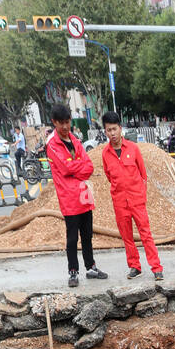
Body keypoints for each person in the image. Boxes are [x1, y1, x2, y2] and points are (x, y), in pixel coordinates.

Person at [45, 102, 108, 288]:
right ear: (54, 122)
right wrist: (78, 166)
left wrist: (76, 168)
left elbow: (88, 166)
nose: (65, 126)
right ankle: (73, 271)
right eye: (61, 123)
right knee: (72, 238)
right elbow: (65, 167)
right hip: (69, 198)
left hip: (84, 194)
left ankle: (91, 267)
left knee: (87, 235)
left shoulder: (74, 139)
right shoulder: (52, 144)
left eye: (67, 122)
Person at [101, 110, 163, 281]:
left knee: (146, 234)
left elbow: (143, 174)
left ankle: (156, 267)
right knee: (127, 236)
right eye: (108, 130)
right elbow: (109, 176)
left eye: (114, 129)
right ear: (105, 131)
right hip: (120, 202)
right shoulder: (106, 154)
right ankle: (134, 266)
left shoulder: (133, 149)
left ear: (120, 128)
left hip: (137, 200)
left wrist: (140, 194)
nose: (112, 133)